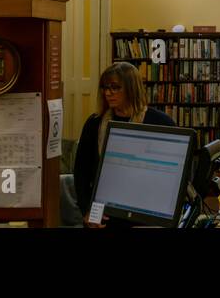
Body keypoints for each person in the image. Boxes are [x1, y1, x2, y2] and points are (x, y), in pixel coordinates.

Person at [73, 61, 176, 225]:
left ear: (131, 88)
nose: (108, 93)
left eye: (115, 87)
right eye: (105, 87)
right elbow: (81, 172)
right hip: (104, 212)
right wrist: (87, 211)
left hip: (145, 211)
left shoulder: (160, 122)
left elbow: (170, 178)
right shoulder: (94, 124)